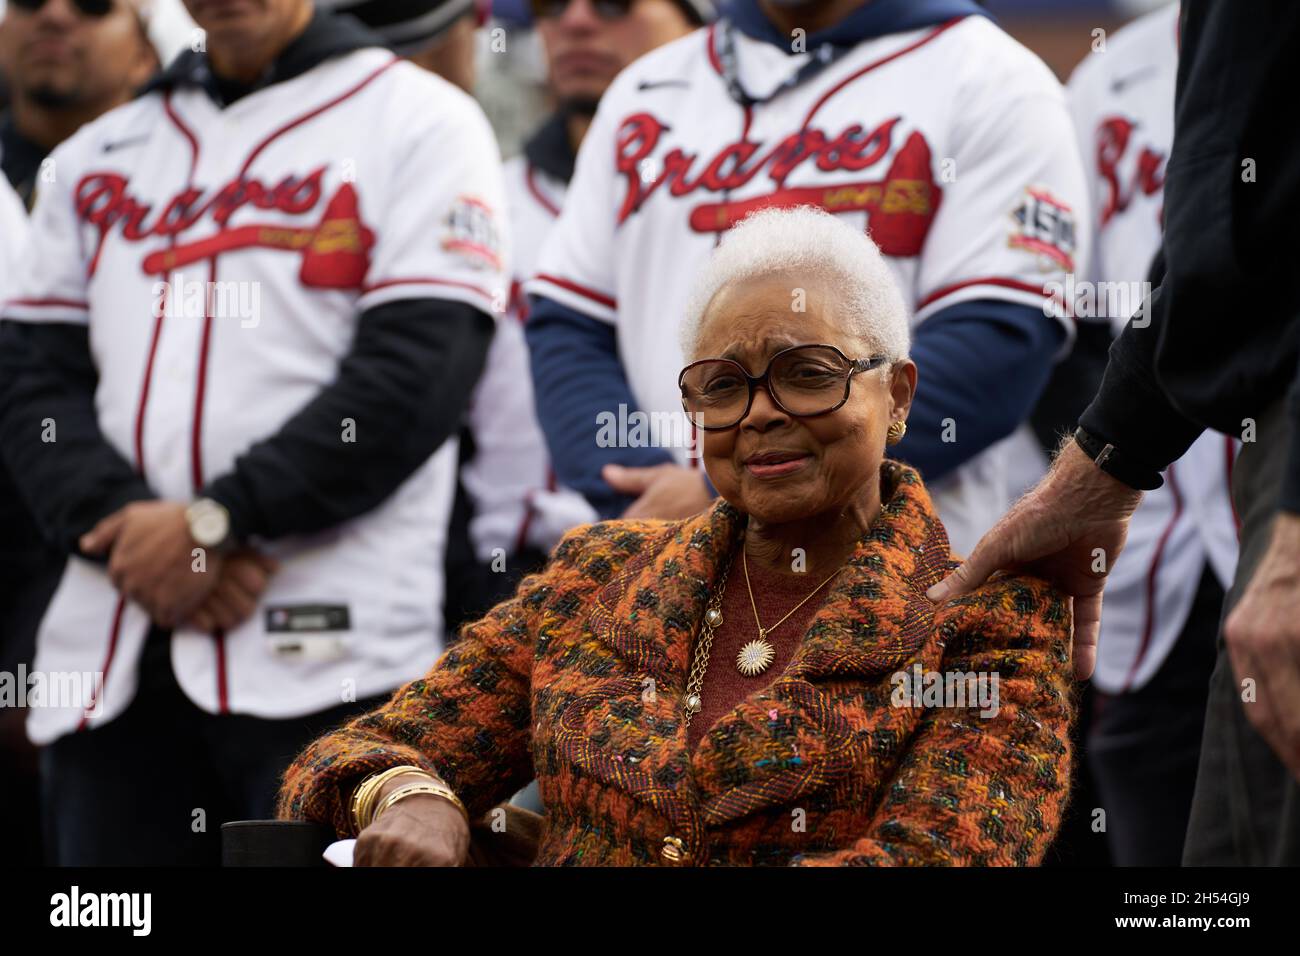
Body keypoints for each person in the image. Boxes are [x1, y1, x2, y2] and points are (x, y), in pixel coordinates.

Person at [279, 207, 1074, 867]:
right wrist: (415, 798)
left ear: (897, 393)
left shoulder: (991, 621)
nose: (761, 412)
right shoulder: (597, 577)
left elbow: (941, 855)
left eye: (807, 372)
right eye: (722, 387)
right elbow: (353, 756)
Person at [0, 0, 506, 864]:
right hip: (119, 644)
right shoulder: (99, 152)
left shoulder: (422, 118)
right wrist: (128, 528)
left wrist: (214, 523)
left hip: (334, 658)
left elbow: (415, 378)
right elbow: (32, 382)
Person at [929, 0, 1300, 866]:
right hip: (1174, 511)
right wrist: (1101, 461)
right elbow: (1210, 250)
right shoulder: (1113, 74)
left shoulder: (989, 76)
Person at [524, 0, 1089, 558]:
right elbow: (570, 326)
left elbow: (997, 339)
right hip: (660, 558)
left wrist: (720, 491)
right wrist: (641, 491)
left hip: (896, 567)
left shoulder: (989, 76)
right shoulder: (644, 89)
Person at [1063, 0, 1236, 867]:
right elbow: (1065, 319)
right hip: (1143, 527)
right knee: (1151, 813)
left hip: (1268, 499)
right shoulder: (1107, 75)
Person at [0, 0, 160, 868]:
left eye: (94, 3)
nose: (54, 14)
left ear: (149, 46)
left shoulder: (201, 192)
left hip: (113, 570)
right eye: (26, 0)